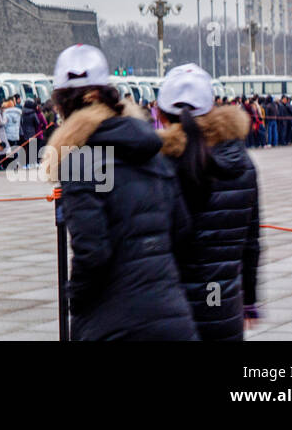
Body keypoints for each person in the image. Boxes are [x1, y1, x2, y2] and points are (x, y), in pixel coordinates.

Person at [38, 45, 195, 341]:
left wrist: (77, 300)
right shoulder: (152, 151)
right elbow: (182, 230)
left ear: (63, 105)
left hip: (115, 323)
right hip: (173, 318)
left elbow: (92, 252)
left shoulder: (80, 161)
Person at [155, 64, 261, 340]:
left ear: (160, 112)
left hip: (170, 308)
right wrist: (249, 300)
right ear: (212, 107)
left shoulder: (160, 165)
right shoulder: (243, 164)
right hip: (224, 308)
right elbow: (251, 244)